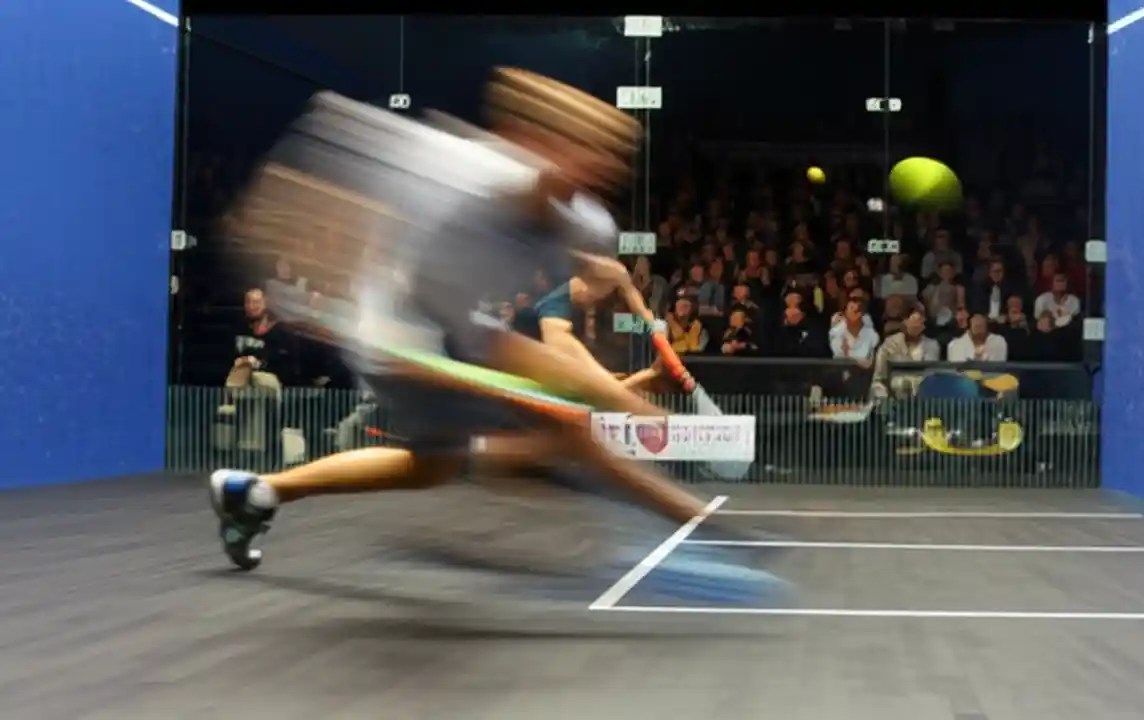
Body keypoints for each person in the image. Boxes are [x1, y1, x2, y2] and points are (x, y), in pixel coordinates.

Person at [209, 72, 763, 581]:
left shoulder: (588, 223)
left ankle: (255, 492)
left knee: (432, 464)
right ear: (528, 139)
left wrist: (621, 387)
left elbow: (568, 315)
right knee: (562, 434)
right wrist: (308, 268)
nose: (603, 166)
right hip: (398, 336)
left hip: (462, 330)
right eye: (586, 148)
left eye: (612, 155)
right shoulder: (449, 179)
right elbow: (321, 146)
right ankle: (699, 529)